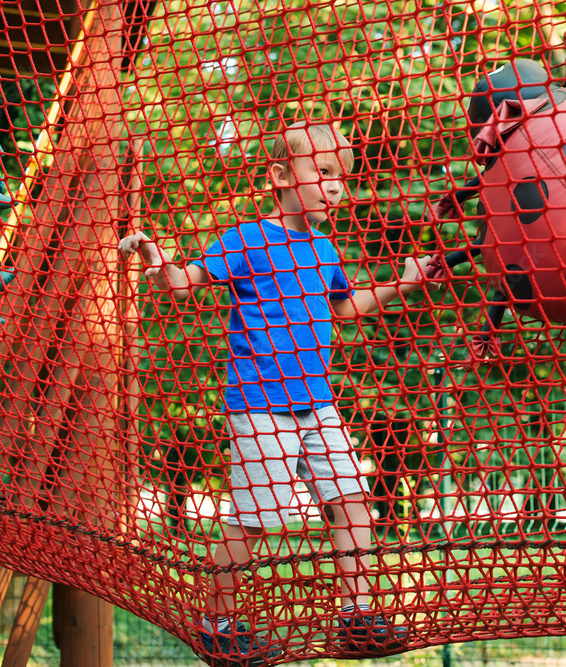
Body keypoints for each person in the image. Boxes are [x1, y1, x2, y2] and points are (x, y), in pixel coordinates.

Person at [119, 121, 440, 664]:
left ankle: (357, 618)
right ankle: (217, 625)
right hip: (261, 408)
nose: (337, 186)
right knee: (253, 517)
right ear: (280, 175)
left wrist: (402, 282)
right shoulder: (247, 239)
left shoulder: (324, 249)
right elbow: (185, 281)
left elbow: (343, 306)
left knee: (353, 500)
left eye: (343, 176)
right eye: (325, 171)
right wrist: (157, 257)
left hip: (317, 404)